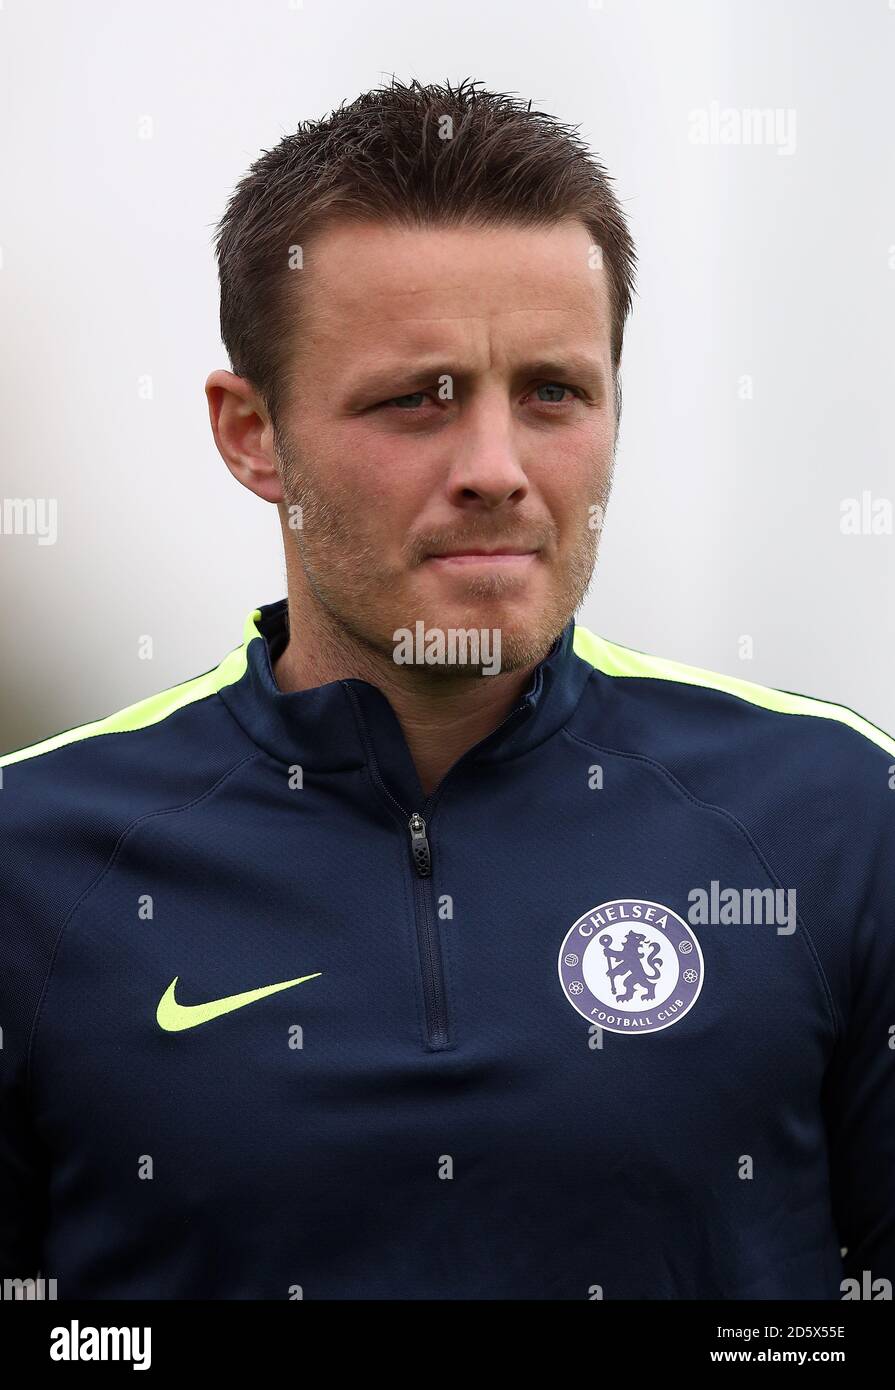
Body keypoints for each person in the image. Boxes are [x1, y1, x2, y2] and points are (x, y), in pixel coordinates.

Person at [1, 77, 892, 1301]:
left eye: (550, 393)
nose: (495, 469)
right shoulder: (31, 857)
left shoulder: (838, 816)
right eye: (417, 400)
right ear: (252, 433)